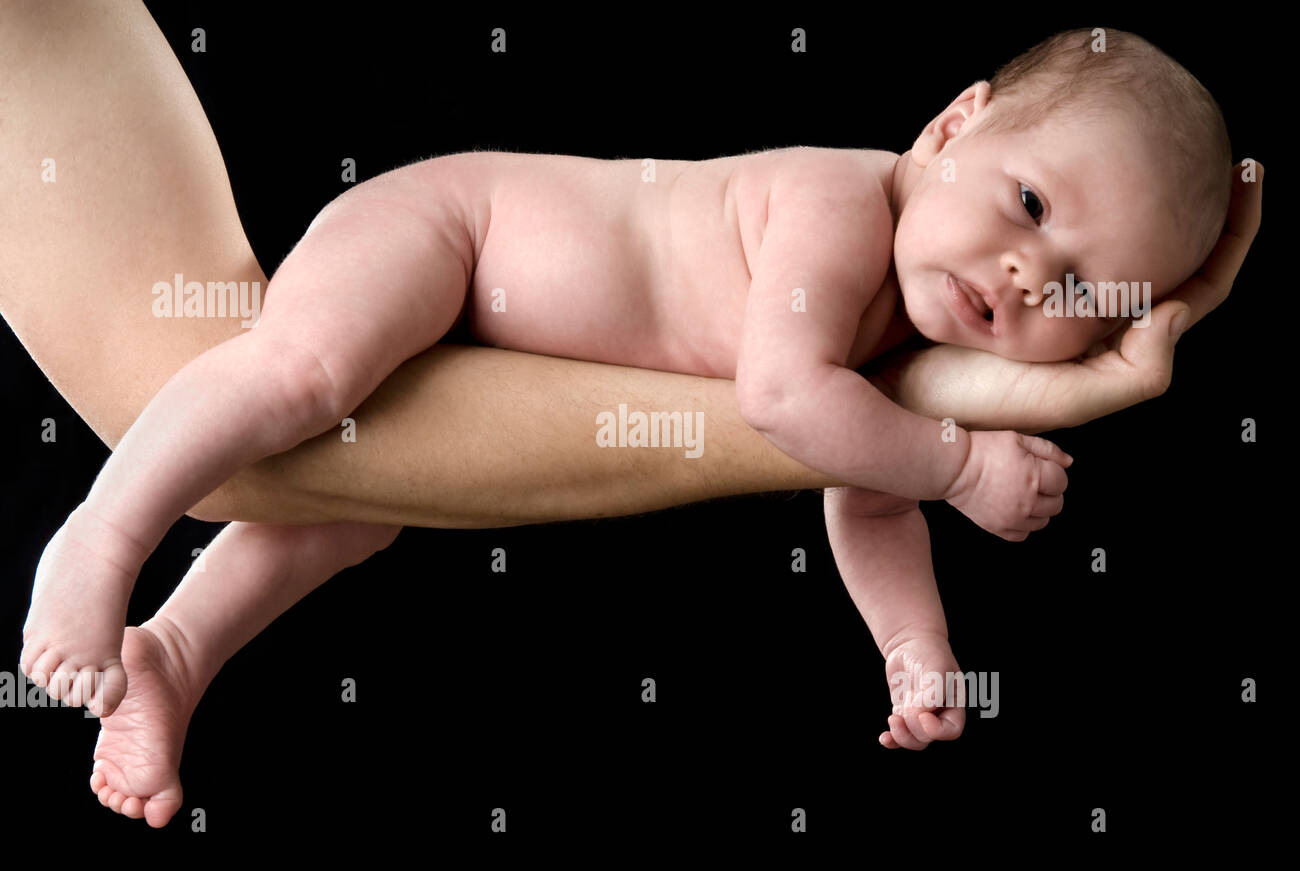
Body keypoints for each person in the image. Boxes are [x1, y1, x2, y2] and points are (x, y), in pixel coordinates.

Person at [1, 4, 1260, 826]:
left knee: (356, 505)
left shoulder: (884, 357)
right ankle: (98, 541)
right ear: (948, 127)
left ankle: (169, 653)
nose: (1032, 277)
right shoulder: (841, 207)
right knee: (304, 380)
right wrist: (961, 460)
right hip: (451, 234)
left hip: (485, 324)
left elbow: (861, 489)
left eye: (1088, 293)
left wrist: (914, 647)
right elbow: (782, 407)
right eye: (1032, 206)